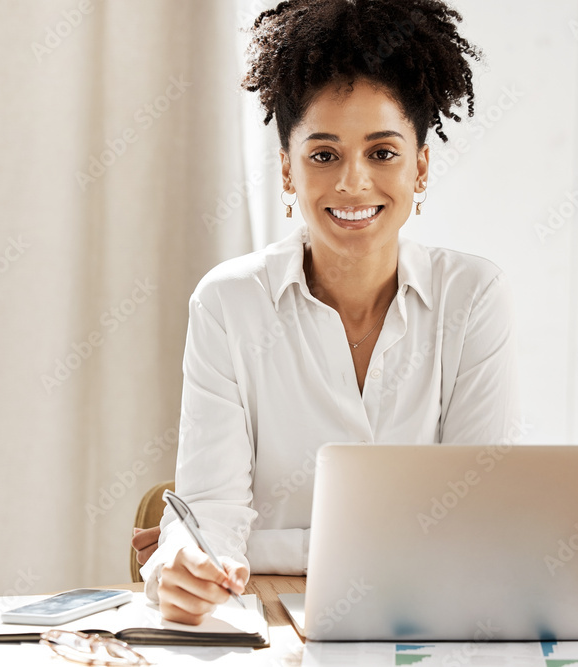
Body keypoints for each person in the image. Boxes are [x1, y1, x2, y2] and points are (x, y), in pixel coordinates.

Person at [132, 0, 521, 625]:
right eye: (323, 155)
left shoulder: (472, 297)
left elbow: (474, 532)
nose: (353, 183)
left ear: (420, 167)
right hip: (272, 634)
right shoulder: (228, 304)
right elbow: (210, 525)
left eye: (383, 152)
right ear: (286, 170)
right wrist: (182, 557)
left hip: (427, 631)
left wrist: (261, 543)